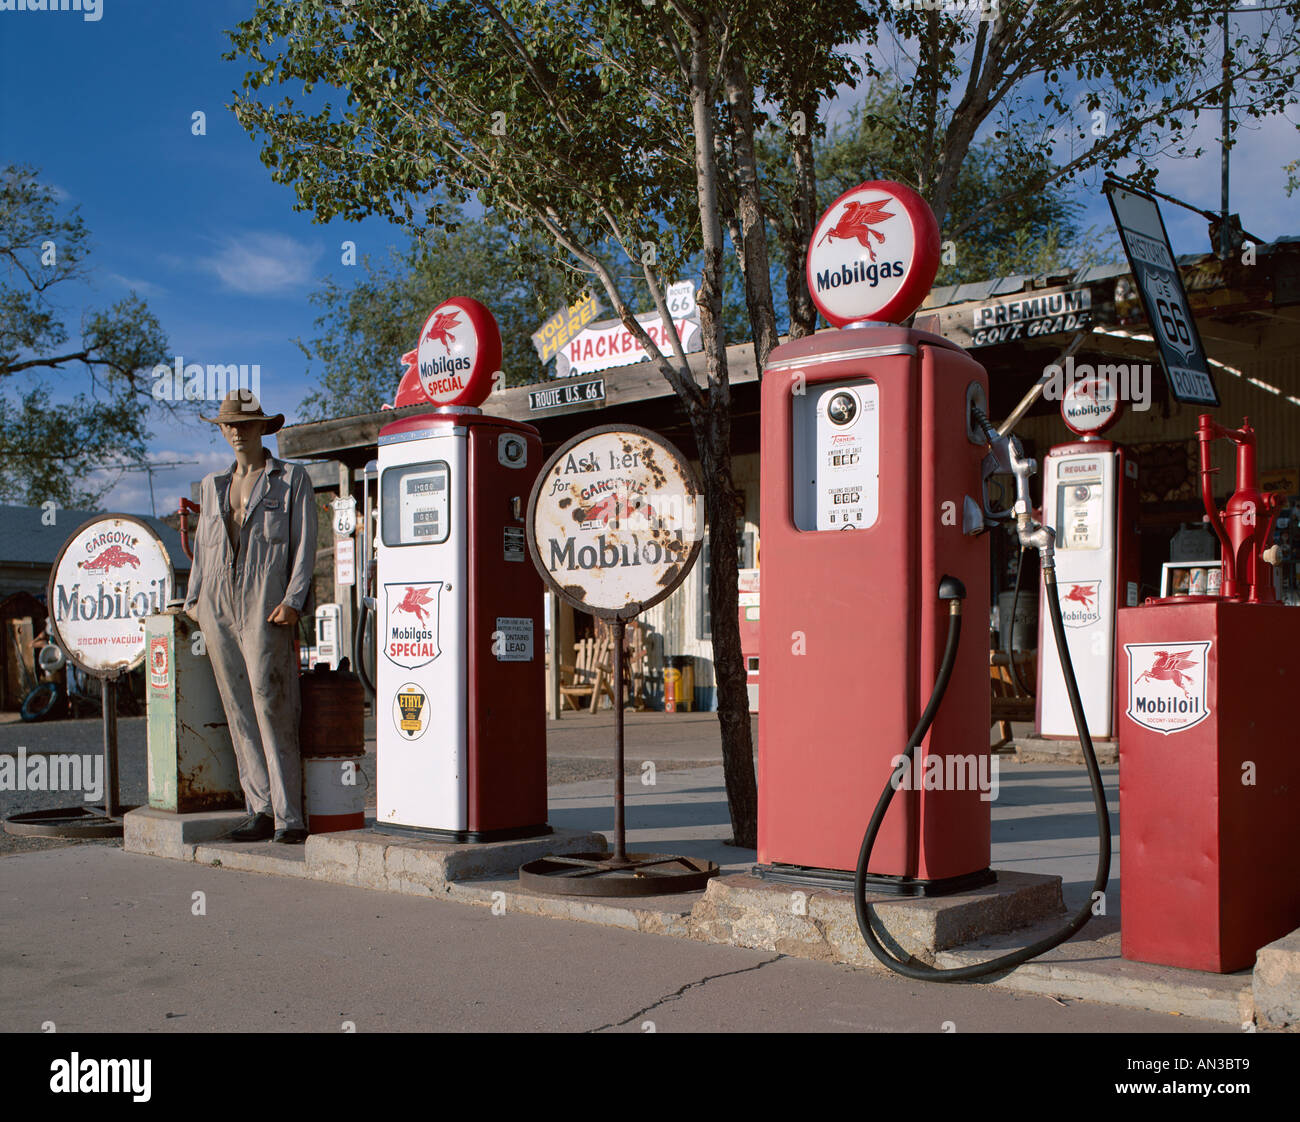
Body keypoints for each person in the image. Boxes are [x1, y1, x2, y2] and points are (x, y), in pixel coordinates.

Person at [184, 390, 318, 843]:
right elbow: (204, 548)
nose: (237, 432)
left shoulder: (291, 479)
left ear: (264, 428)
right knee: (237, 707)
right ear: (221, 431)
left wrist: (295, 598)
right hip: (218, 602)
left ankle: (289, 817)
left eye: (245, 424)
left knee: (271, 703)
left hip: (266, 600)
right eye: (229, 425)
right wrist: (194, 601)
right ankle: (259, 808)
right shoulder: (212, 485)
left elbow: (305, 545)